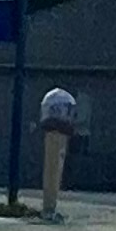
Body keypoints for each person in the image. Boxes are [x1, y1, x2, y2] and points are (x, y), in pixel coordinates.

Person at [36, 81, 82, 219]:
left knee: (54, 165)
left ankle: (50, 205)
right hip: (57, 130)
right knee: (54, 165)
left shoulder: (53, 101)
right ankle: (49, 206)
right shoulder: (66, 103)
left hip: (54, 129)